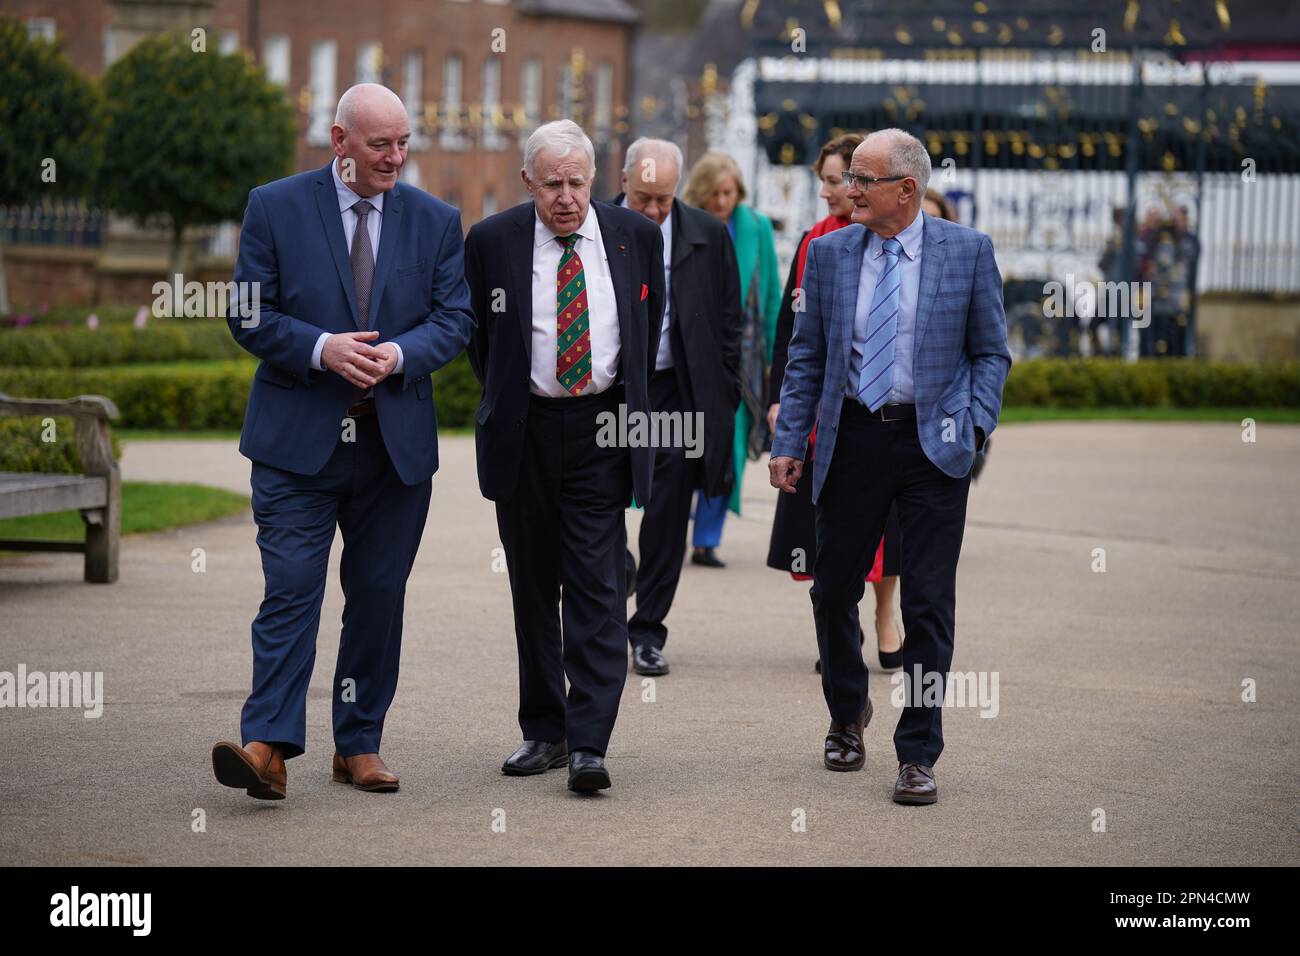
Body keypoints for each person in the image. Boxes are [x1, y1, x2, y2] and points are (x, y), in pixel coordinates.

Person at [212, 83, 475, 800]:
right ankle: (267, 745)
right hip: (296, 444)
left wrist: (399, 356)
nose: (395, 157)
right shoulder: (275, 204)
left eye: (403, 143)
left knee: (378, 594)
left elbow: (456, 319)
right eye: (380, 144)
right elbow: (247, 312)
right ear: (339, 141)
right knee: (291, 590)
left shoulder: (436, 219)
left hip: (393, 451)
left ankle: (358, 744)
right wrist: (321, 347)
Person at [770, 128, 1011, 805]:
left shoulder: (967, 252)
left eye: (863, 180)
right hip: (851, 440)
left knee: (929, 604)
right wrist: (790, 440)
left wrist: (976, 425)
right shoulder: (830, 253)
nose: (849, 191)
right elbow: (807, 353)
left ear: (907, 189)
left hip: (934, 444)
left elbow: (992, 352)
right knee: (831, 589)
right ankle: (847, 714)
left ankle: (918, 752)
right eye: (849, 178)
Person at [464, 120, 665, 793]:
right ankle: (544, 731)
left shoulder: (636, 237)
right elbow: (482, 347)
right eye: (551, 184)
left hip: (602, 429)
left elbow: (643, 326)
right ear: (529, 182)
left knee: (596, 586)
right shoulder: (492, 243)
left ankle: (589, 742)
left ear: (594, 181)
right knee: (532, 588)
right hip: (525, 429)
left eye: (577, 182)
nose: (566, 197)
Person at [766, 133, 905, 675]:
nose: (827, 192)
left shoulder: (893, 242)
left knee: (888, 527)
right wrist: (781, 401)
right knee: (829, 535)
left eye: (836, 181)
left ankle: (888, 613)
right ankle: (839, 635)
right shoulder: (813, 244)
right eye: (823, 180)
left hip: (885, 415)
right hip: (824, 413)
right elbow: (791, 333)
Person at [615, 138, 742, 677]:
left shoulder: (707, 234)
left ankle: (648, 630)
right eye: (643, 197)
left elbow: (730, 320)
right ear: (623, 182)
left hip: (675, 389)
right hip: (609, 388)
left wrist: (725, 390)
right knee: (596, 502)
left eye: (663, 199)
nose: (653, 210)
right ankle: (616, 579)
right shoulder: (592, 227)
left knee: (667, 513)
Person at [682, 151, 782, 568]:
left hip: (741, 359)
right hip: (690, 353)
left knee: (729, 447)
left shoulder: (755, 226)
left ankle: (706, 539)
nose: (722, 200)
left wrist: (779, 359)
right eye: (715, 193)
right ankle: (675, 517)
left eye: (729, 192)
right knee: (682, 443)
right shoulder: (685, 221)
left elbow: (773, 293)